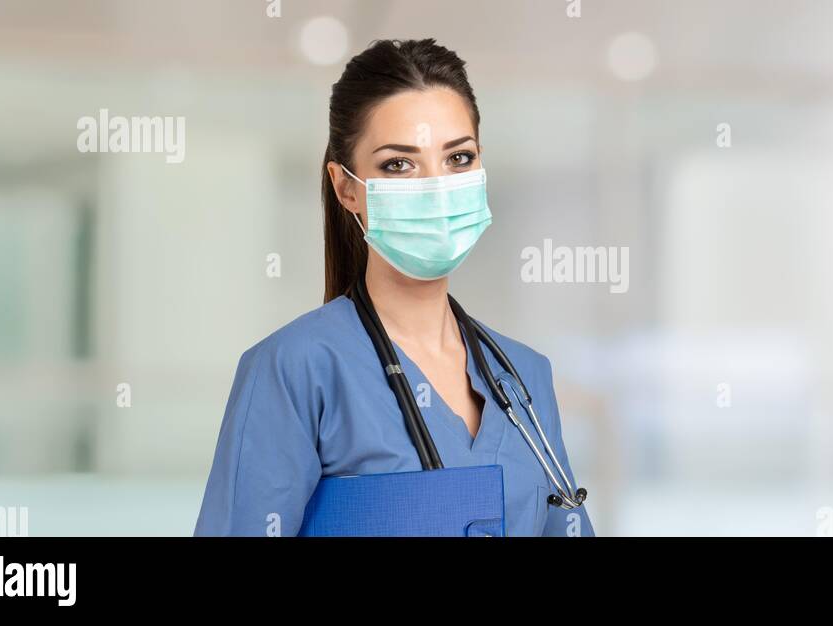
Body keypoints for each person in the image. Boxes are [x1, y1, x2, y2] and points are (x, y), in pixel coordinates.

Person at [194, 38, 593, 537]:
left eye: (458, 158)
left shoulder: (526, 377)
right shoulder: (295, 369)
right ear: (347, 188)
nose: (435, 186)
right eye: (398, 164)